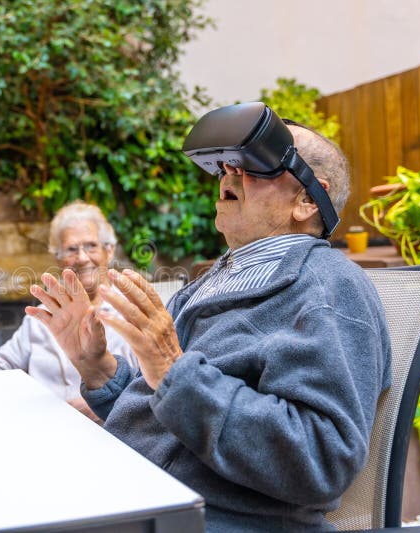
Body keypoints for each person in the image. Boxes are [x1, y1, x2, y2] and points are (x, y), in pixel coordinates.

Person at [26, 112, 392, 531]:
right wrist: (98, 368)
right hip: (137, 489)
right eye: (224, 163)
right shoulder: (219, 277)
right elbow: (166, 414)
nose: (228, 172)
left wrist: (172, 370)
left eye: (255, 162)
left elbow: (322, 460)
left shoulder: (326, 287)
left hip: (207, 519)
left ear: (308, 200)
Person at [0, 201, 138, 421]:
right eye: (71, 249)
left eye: (91, 245)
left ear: (109, 250)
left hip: (111, 435)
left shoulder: (131, 313)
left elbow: (151, 387)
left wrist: (103, 404)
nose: (82, 258)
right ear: (58, 258)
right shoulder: (41, 317)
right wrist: (32, 408)